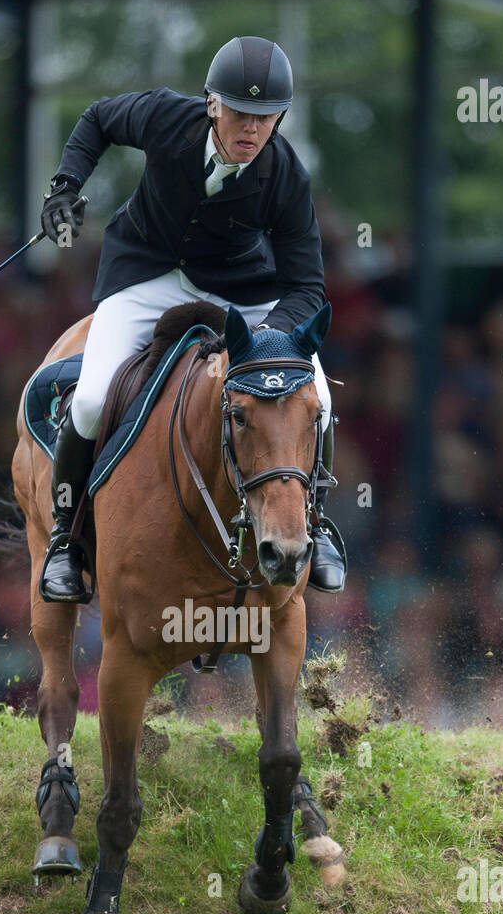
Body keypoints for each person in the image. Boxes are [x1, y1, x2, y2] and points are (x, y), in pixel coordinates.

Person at [38, 34, 346, 601]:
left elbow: (306, 285)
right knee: (86, 399)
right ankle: (67, 538)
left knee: (318, 400)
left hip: (241, 292)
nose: (250, 129)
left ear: (279, 117)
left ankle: (318, 526)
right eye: (239, 112)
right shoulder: (164, 118)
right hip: (144, 275)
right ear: (211, 103)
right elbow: (98, 119)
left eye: (265, 116)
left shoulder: (285, 176)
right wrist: (65, 187)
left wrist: (272, 338)